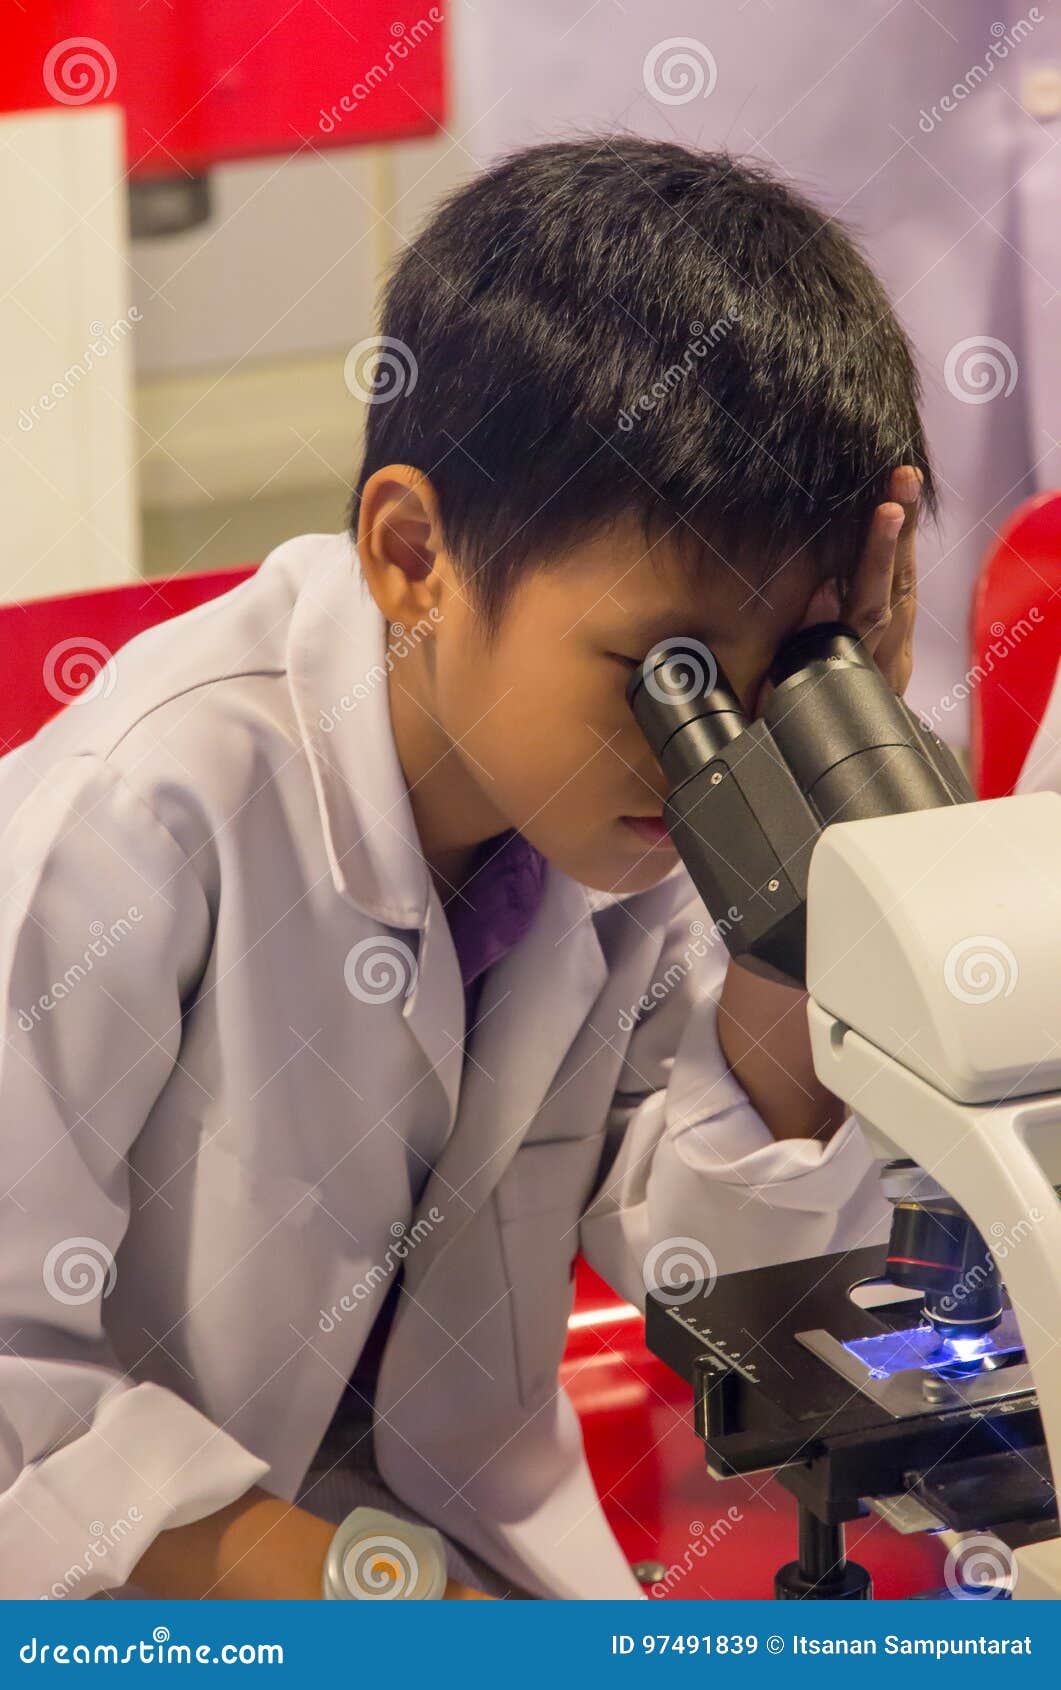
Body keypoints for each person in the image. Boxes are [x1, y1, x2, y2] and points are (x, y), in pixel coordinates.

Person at [0, 137, 926, 1601]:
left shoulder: (637, 815)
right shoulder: (139, 818)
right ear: (413, 553)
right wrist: (399, 1612)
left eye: (779, 678)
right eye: (665, 669)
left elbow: (721, 1277)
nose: (713, 747)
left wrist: (790, 909)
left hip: (459, 1568)